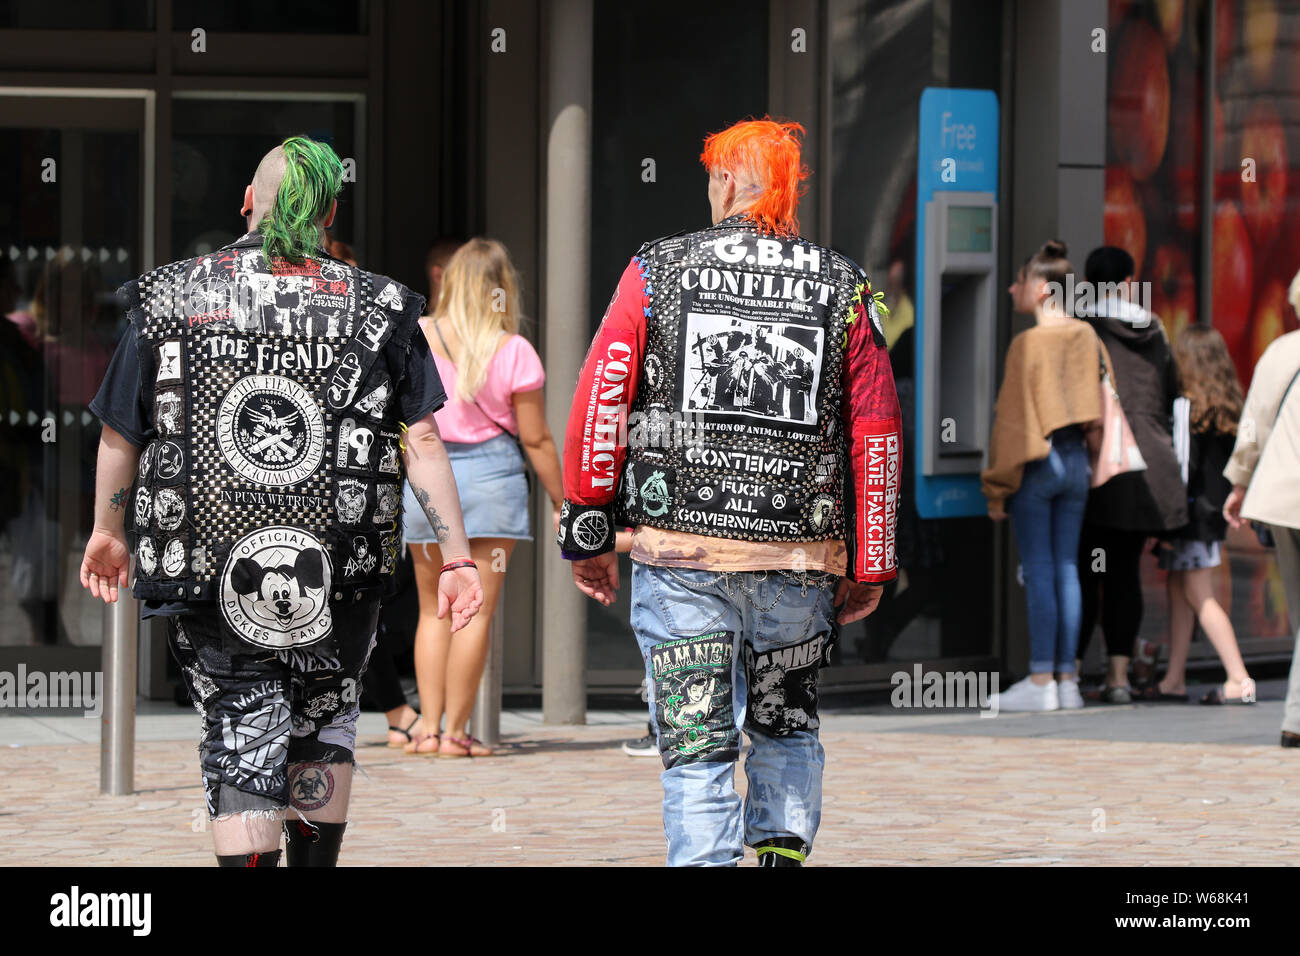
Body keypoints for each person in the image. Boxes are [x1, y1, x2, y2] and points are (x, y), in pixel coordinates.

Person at [80, 136, 483, 867]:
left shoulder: (169, 297)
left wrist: (109, 529)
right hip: (342, 565)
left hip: (208, 559)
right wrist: (456, 555)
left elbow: (121, 430)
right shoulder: (383, 305)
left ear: (246, 204)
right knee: (327, 720)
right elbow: (422, 438)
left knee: (241, 725)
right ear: (331, 212)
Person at [556, 118, 901, 866]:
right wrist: (871, 560)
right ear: (788, 191)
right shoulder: (843, 285)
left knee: (697, 747)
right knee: (785, 726)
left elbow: (602, 394)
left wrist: (587, 522)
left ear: (720, 183)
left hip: (683, 559)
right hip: (798, 563)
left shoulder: (658, 268)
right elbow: (876, 428)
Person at [402, 238, 564, 758]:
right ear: (500, 288)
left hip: (428, 477)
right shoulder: (513, 348)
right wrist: (564, 501)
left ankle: (426, 728)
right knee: (475, 612)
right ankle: (455, 735)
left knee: (432, 611)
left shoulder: (418, 335)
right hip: (494, 479)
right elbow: (536, 439)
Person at [982, 241, 1105, 712]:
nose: (1013, 288)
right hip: (1076, 461)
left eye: (1019, 280)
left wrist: (996, 489)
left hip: (1037, 464)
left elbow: (1011, 422)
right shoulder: (1085, 336)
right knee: (1068, 568)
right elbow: (1098, 409)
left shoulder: (1027, 344)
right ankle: (1068, 679)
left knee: (1038, 570)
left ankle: (1040, 679)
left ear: (1041, 287)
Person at [1075, 246, 1188, 703]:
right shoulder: (1155, 329)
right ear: (1126, 282)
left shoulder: (1080, 328)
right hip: (1149, 468)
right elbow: (1175, 398)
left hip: (1097, 464)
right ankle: (1119, 677)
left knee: (1084, 571)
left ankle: (1072, 673)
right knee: (1123, 574)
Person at [1146, 327, 1254, 705]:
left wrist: (1167, 519)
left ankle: (1239, 677)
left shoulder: (1185, 407)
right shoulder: (1227, 407)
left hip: (1188, 517)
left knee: (1197, 593)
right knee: (1179, 590)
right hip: (1210, 517)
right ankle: (1174, 678)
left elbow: (1181, 469)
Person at [1222, 270, 1300, 746]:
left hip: (1281, 496)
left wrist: (1238, 482)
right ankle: (1295, 718)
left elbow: (1252, 427)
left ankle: (1296, 718)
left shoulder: (1279, 352)